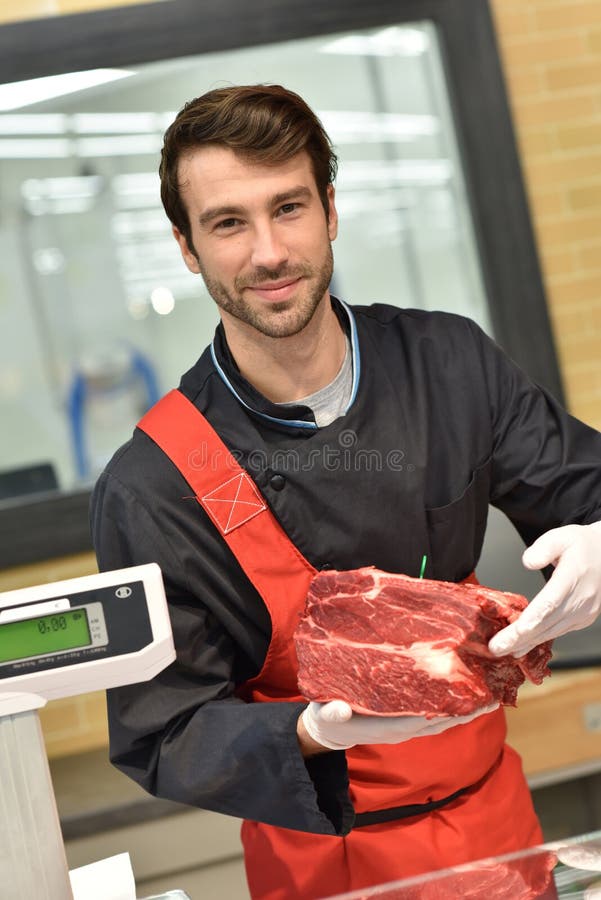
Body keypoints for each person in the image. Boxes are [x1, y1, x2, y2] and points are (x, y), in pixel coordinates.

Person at [91, 84, 601, 900]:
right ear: (186, 246)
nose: (267, 252)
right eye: (227, 222)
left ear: (329, 209)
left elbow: (587, 489)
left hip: (495, 826)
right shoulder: (153, 484)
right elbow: (163, 729)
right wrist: (309, 727)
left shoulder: (449, 364)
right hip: (323, 865)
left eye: (288, 207)